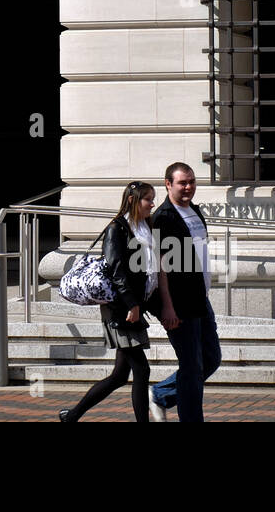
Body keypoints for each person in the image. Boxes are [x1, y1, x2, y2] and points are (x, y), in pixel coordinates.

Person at [59, 180, 161, 422]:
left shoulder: (144, 227)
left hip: (133, 306)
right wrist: (133, 305)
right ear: (132, 200)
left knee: (119, 375)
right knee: (142, 370)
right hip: (121, 309)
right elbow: (116, 270)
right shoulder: (117, 228)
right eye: (148, 199)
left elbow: (147, 272)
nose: (152, 204)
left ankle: (72, 416)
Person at [148, 161, 221, 422]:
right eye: (182, 182)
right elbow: (162, 268)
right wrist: (167, 306)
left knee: (211, 358)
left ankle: (161, 394)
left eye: (191, 181)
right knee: (192, 367)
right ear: (168, 184)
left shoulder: (195, 212)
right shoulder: (164, 218)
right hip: (179, 302)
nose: (188, 187)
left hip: (200, 298)